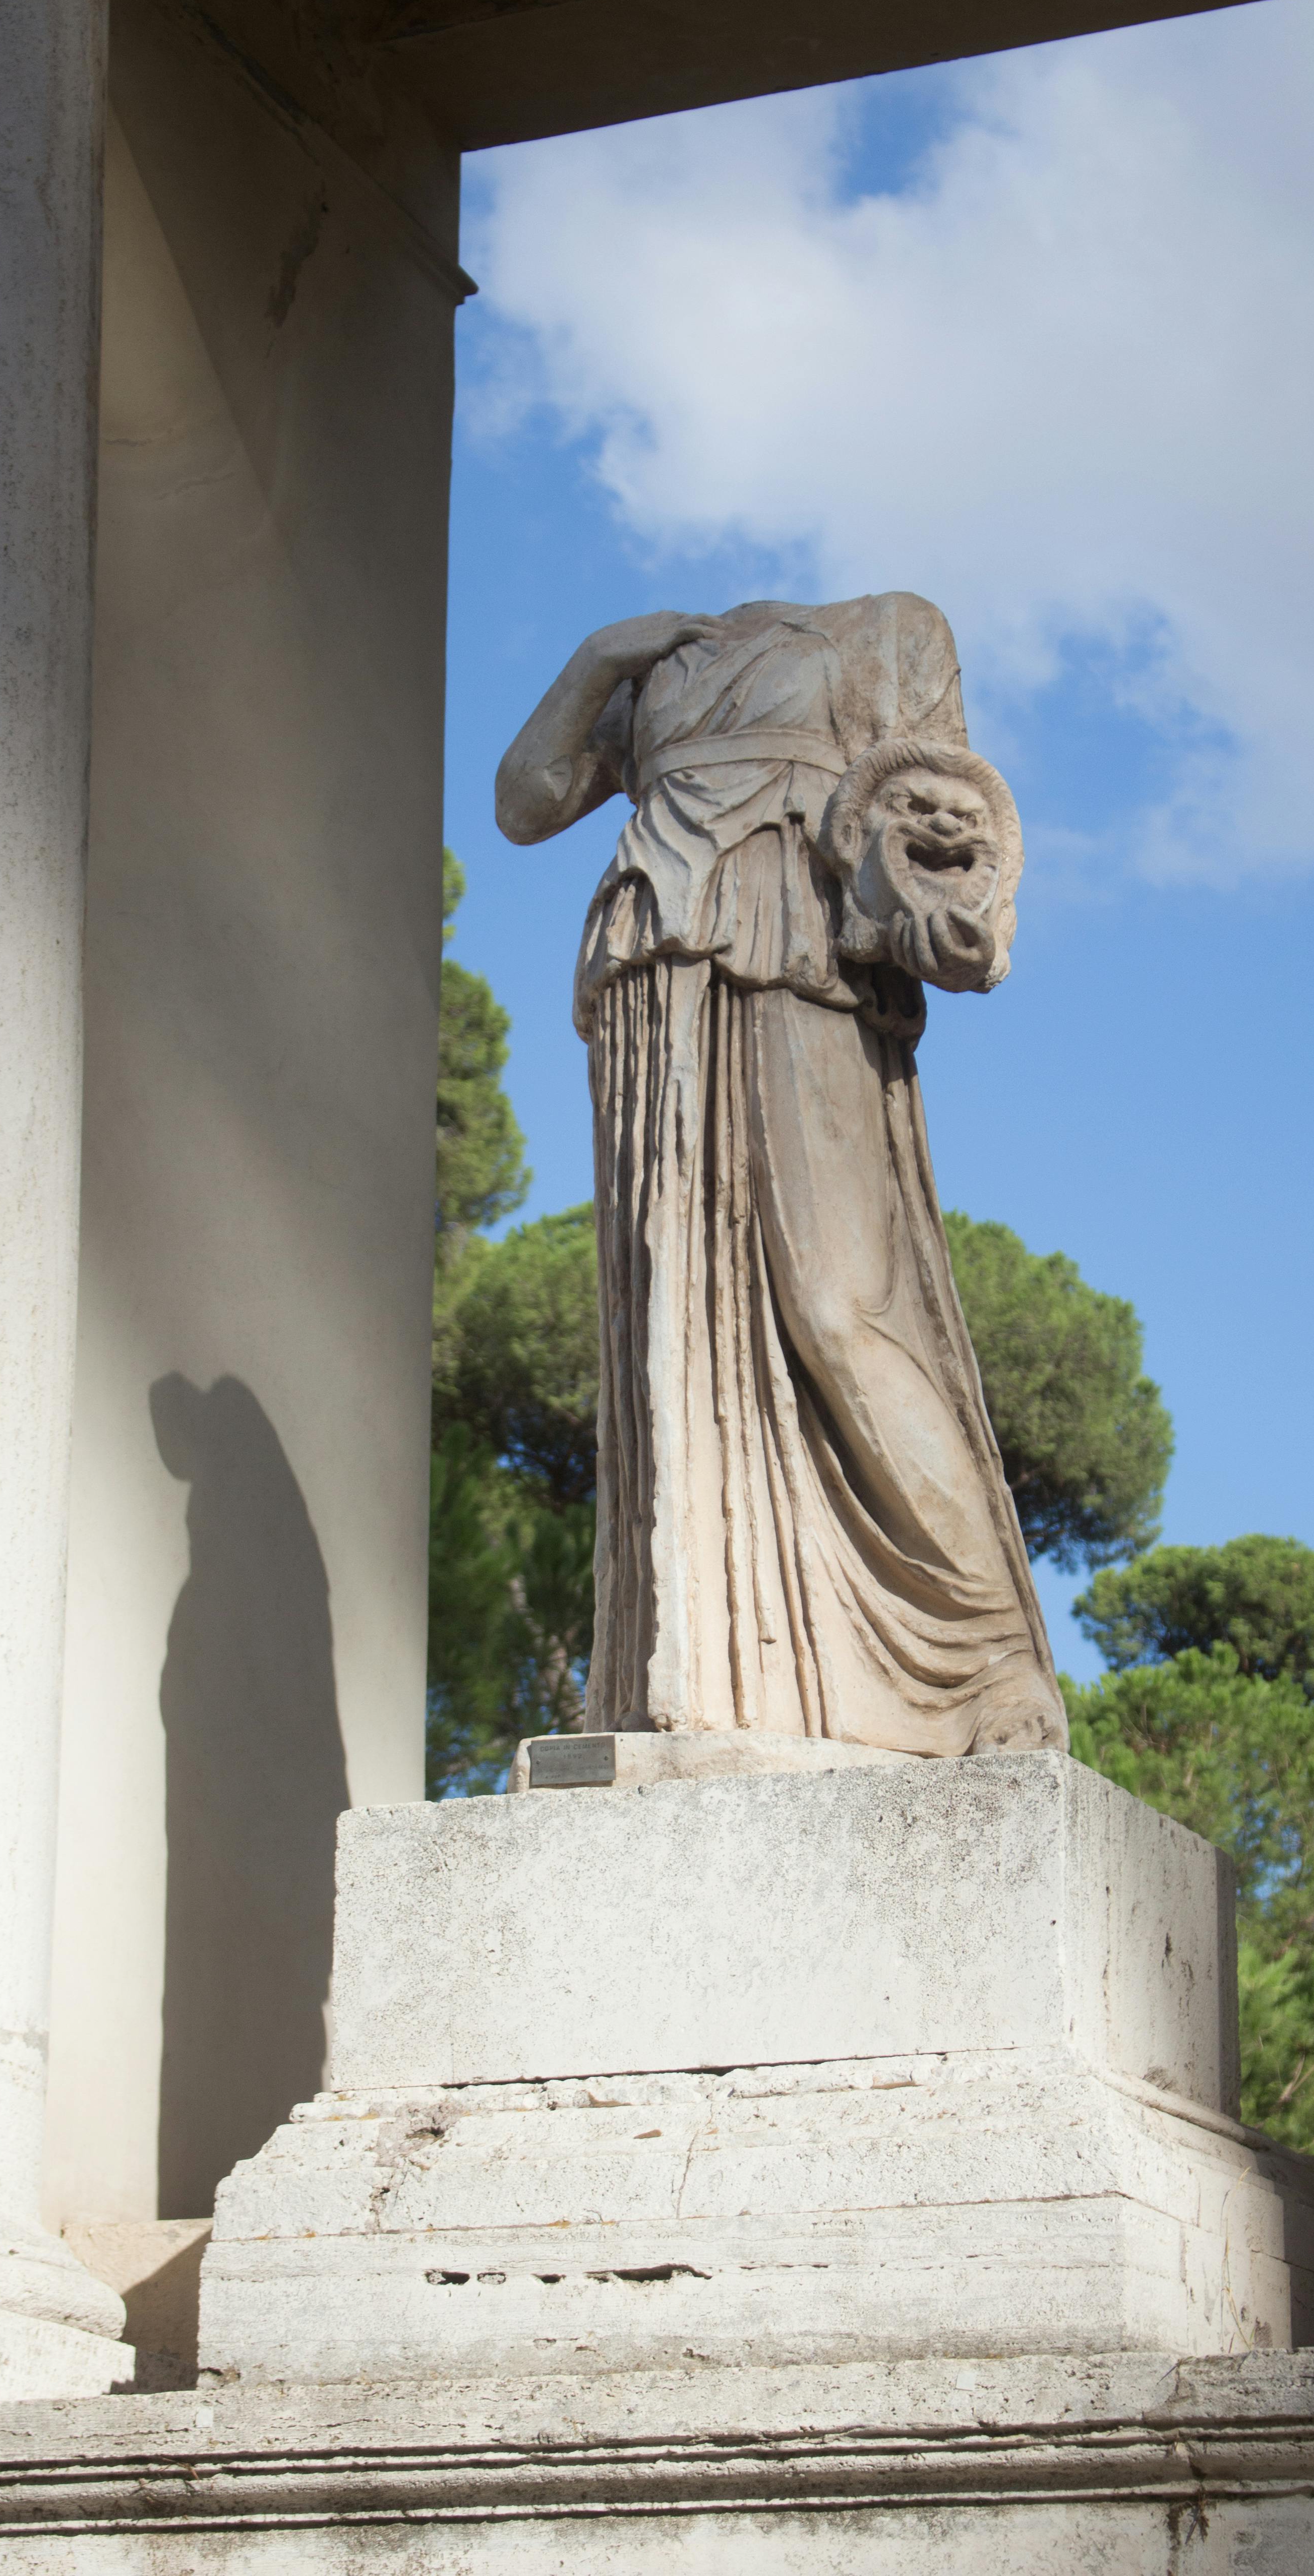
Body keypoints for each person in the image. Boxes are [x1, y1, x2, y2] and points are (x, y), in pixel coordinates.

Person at [497, 592, 1066, 1755]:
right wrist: (598, 652)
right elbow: (524, 803)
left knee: (839, 1305)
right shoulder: (650, 665)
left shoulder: (894, 630)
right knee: (678, 1327)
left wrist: (937, 894)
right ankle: (714, 1677)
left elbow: (949, 824)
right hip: (659, 954)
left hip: (796, 935)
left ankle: (988, 1658)